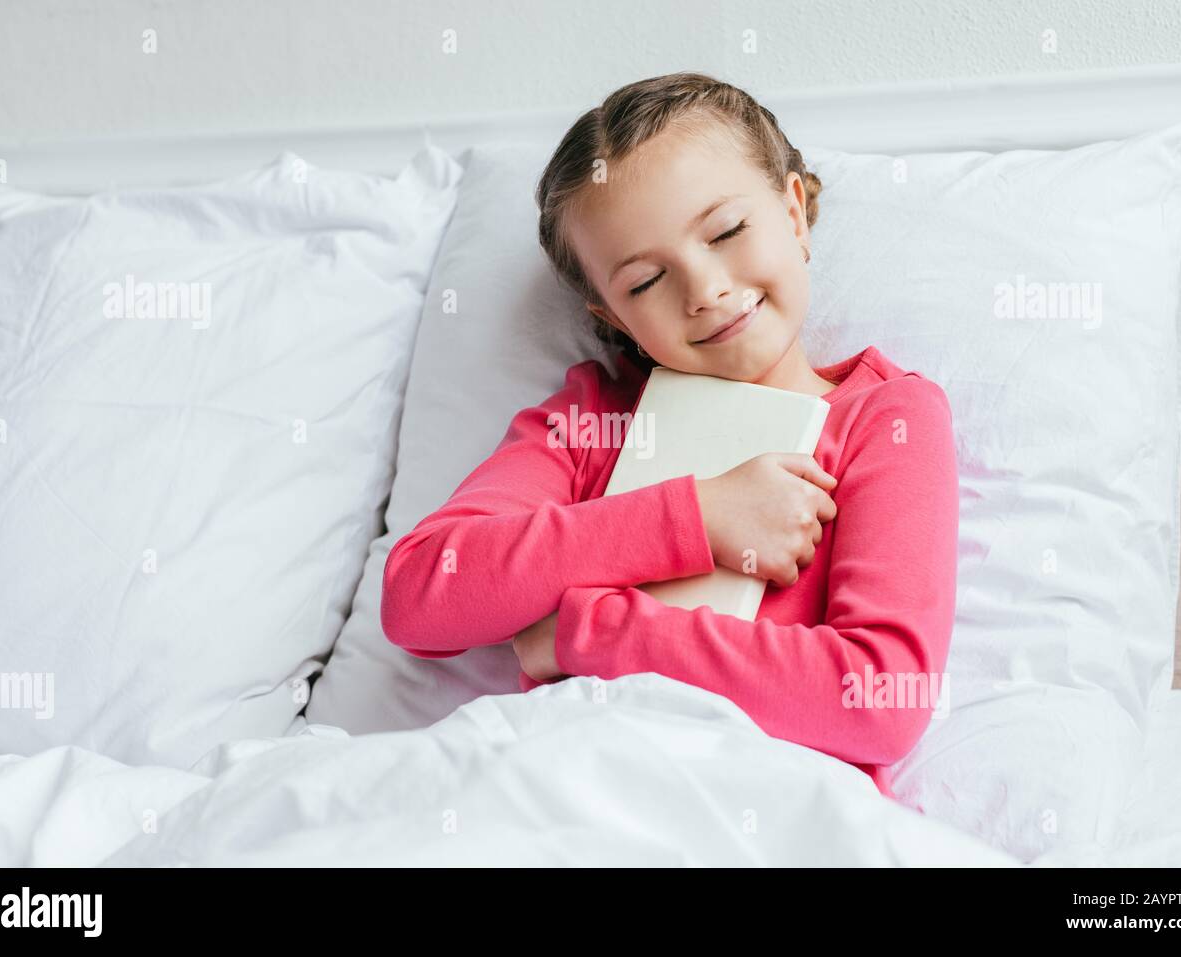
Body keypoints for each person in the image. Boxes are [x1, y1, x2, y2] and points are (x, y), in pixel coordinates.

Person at [382, 72, 959, 800]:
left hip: (762, 810)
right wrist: (696, 516)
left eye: (726, 232)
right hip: (557, 797)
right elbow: (421, 594)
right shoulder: (589, 423)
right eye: (647, 281)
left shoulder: (886, 420)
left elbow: (881, 699)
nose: (707, 289)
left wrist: (581, 630)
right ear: (614, 316)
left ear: (794, 212)